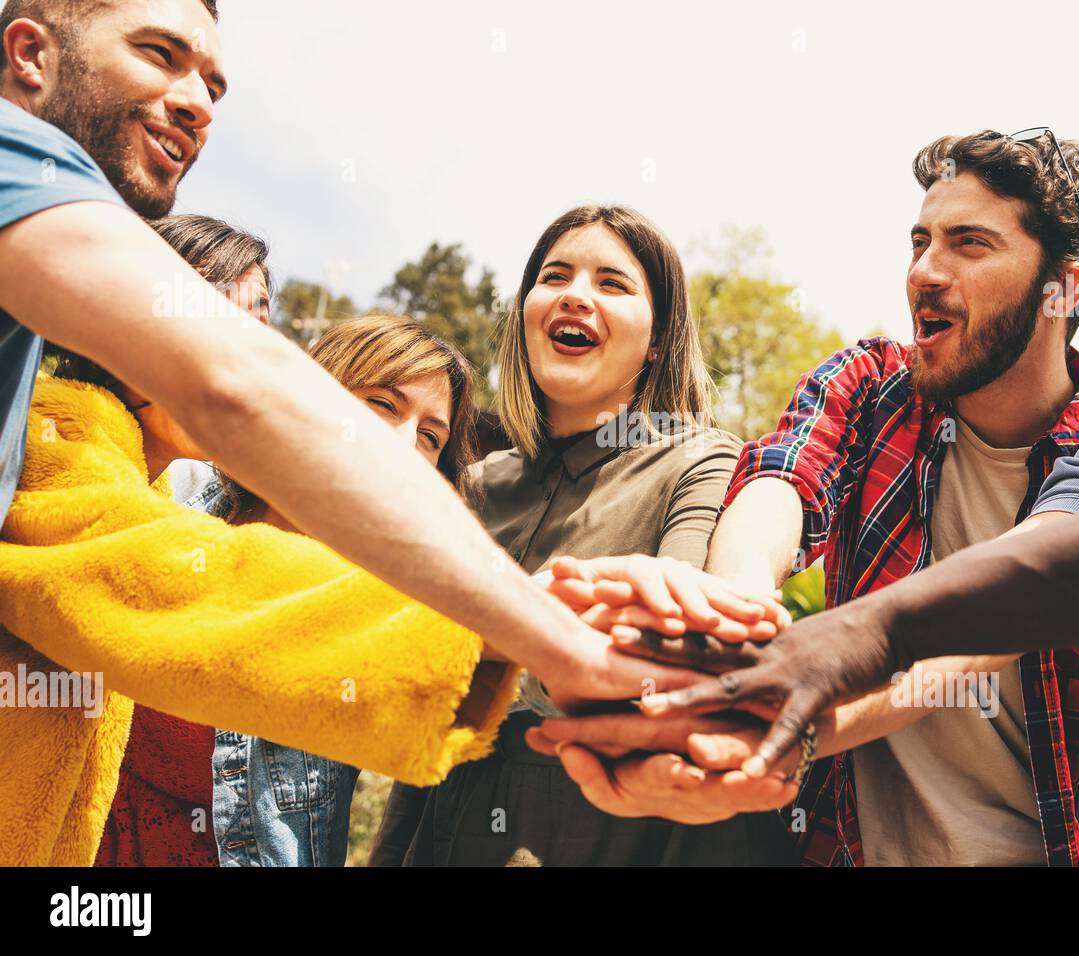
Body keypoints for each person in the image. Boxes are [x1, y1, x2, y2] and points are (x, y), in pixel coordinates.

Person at [592, 24, 1079, 867]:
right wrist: (737, 621)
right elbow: (783, 480)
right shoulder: (883, 391)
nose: (925, 271)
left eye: (969, 244)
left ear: (1063, 288)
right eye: (920, 241)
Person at [0, 0, 677, 730]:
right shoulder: (14, 157)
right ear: (30, 53)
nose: (198, 104)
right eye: (160, 55)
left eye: (215, 86)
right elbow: (236, 388)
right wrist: (548, 635)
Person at [370, 204, 793, 867]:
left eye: (612, 284)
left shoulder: (703, 462)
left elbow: (669, 661)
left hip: (613, 833)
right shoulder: (476, 484)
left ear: (657, 339)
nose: (576, 295)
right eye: (556, 275)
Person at [209, 314, 483, 867]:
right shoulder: (172, 511)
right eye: (382, 404)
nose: (405, 443)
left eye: (431, 437)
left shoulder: (383, 611)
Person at [76, 213, 274, 867]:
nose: (237, 350)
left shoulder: (157, 498)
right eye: (209, 311)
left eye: (258, 327)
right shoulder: (62, 462)